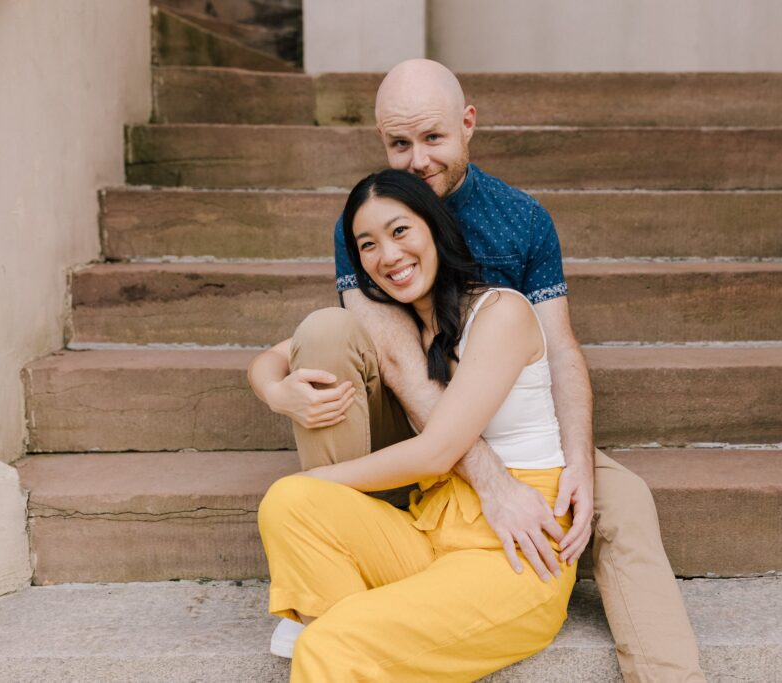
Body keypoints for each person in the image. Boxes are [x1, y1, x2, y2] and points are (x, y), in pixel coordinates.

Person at [248, 58, 705, 682]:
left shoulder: (517, 232)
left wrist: (575, 462)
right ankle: (367, 609)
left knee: (623, 498)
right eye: (398, 144)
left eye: (432, 139)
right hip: (420, 424)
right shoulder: (369, 220)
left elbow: (561, 348)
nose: (417, 161)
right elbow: (403, 369)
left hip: (509, 422)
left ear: (467, 126)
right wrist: (275, 389)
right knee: (323, 339)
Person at [258, 168, 577, 680]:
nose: (387, 255)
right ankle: (368, 638)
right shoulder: (396, 325)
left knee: (327, 647)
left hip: (514, 548)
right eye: (367, 244)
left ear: (435, 228)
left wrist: (311, 478)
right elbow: (270, 359)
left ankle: (349, 639)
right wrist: (276, 391)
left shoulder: (502, 313)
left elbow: (435, 452)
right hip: (431, 529)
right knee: (288, 505)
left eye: (400, 230)